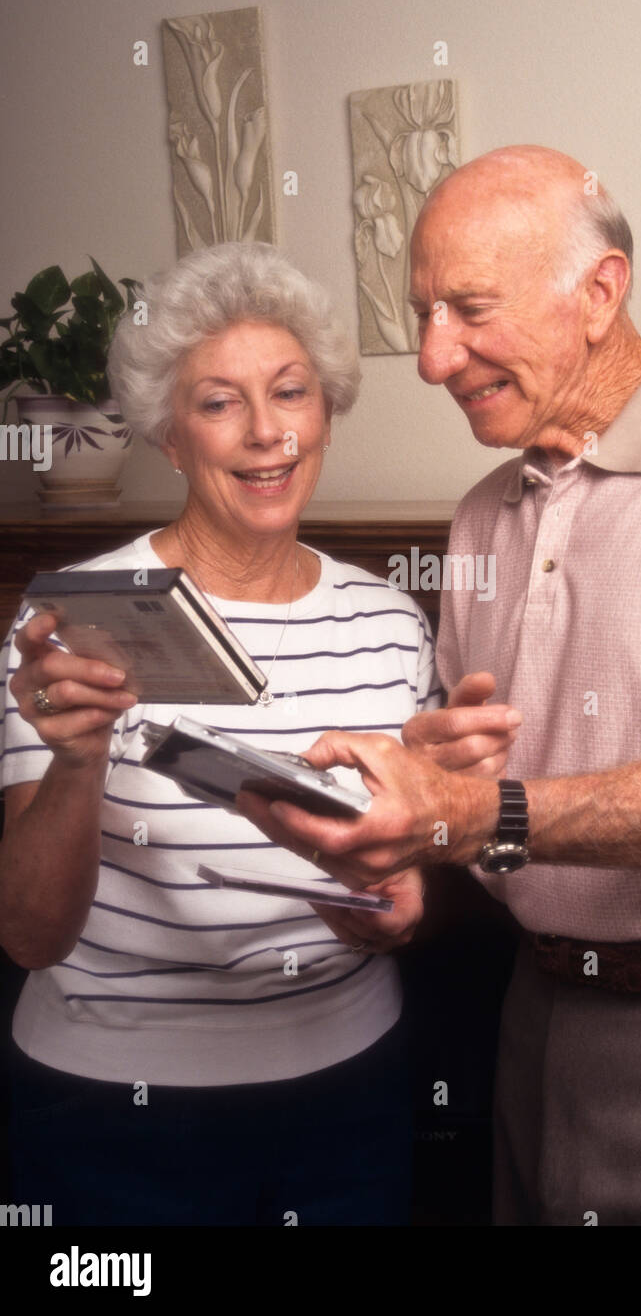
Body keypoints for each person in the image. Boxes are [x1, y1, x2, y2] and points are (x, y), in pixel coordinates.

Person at [238, 147, 641, 1227]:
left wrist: (471, 810)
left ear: (599, 293)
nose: (434, 356)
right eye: (423, 313)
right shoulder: (481, 514)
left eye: (468, 309)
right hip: (534, 1021)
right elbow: (492, 829)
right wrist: (416, 880)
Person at [0, 240, 512, 1227]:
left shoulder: (387, 620)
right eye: (219, 401)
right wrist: (78, 759)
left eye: (290, 392)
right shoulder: (76, 616)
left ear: (325, 410)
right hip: (108, 1118)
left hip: (347, 1093)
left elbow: (422, 864)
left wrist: (417, 891)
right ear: (169, 435)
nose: (266, 433)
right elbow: (28, 933)